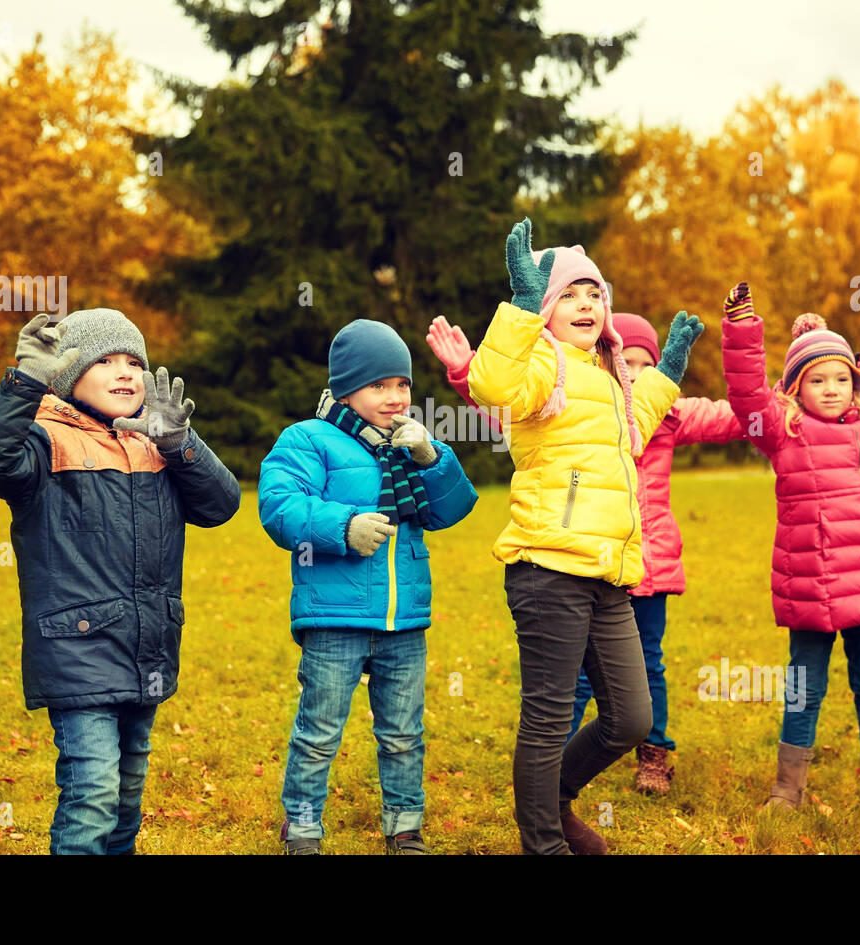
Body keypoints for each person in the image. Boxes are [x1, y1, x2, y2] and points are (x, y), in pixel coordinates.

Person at [427, 311, 745, 795]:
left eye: (645, 363)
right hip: (575, 561)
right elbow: (507, 399)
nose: (635, 373)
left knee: (647, 663)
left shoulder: (671, 415)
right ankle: (557, 760)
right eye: (626, 361)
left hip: (648, 566)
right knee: (572, 673)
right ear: (603, 359)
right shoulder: (567, 398)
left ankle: (654, 753)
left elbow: (742, 413)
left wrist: (789, 385)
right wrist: (464, 368)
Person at [466, 218, 704, 854]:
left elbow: (632, 428)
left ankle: (556, 804)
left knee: (631, 717)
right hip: (548, 567)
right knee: (547, 717)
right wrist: (518, 308)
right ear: (545, 308)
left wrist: (668, 369)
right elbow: (491, 385)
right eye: (568, 294)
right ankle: (542, 842)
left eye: (595, 294)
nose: (585, 305)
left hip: (607, 569)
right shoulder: (542, 365)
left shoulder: (610, 376)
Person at [0, 309, 240, 854]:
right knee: (91, 793)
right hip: (77, 652)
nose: (125, 372)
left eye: (134, 361)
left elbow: (221, 505)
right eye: (105, 361)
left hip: (148, 649)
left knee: (127, 794)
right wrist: (25, 383)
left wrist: (181, 443)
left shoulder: (156, 443)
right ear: (68, 376)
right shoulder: (44, 442)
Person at [719, 281, 860, 813]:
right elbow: (747, 394)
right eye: (816, 379)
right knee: (804, 690)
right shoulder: (784, 433)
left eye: (841, 378)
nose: (830, 388)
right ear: (795, 388)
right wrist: (742, 329)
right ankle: (787, 791)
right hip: (813, 590)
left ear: (856, 383)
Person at [258, 319, 478, 855]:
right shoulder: (308, 440)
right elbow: (279, 506)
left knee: (403, 735)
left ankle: (404, 828)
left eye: (402, 384)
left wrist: (432, 458)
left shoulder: (411, 445)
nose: (395, 396)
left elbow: (454, 509)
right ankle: (303, 827)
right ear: (346, 388)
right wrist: (343, 527)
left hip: (403, 622)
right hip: (334, 619)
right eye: (379, 385)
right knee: (319, 734)